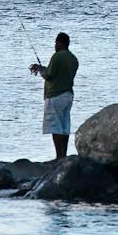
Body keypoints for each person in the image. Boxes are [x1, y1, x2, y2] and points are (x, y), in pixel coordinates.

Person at [29, 31, 79, 160]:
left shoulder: (57, 57)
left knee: (55, 126)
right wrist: (41, 67)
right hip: (68, 96)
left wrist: (40, 69)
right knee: (64, 126)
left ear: (59, 43)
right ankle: (64, 155)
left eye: (55, 43)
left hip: (55, 95)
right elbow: (57, 72)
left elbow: (49, 75)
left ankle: (58, 157)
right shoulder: (73, 59)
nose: (54, 45)